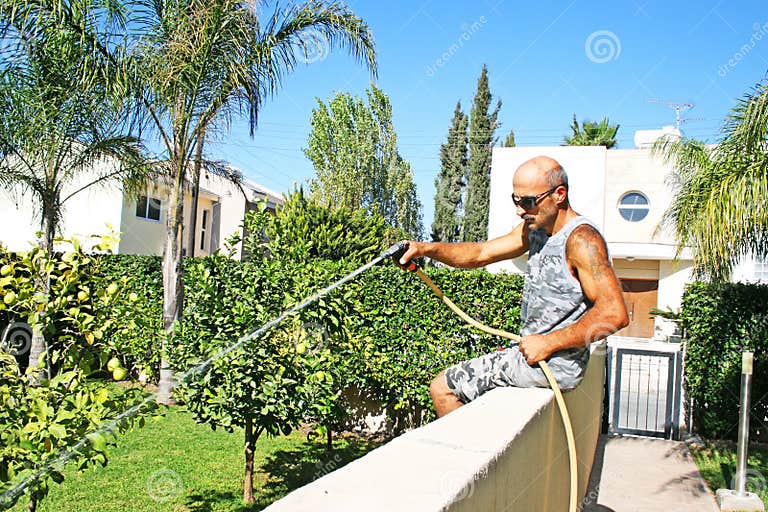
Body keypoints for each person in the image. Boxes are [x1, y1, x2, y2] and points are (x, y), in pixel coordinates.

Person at [397, 155, 629, 417]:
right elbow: (480, 253)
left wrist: (549, 343)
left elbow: (614, 314)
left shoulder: (583, 240)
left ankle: (476, 457)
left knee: (443, 389)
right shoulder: (536, 229)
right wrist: (426, 249)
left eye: (529, 202)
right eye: (516, 200)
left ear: (559, 194)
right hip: (534, 356)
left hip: (552, 365)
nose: (520, 210)